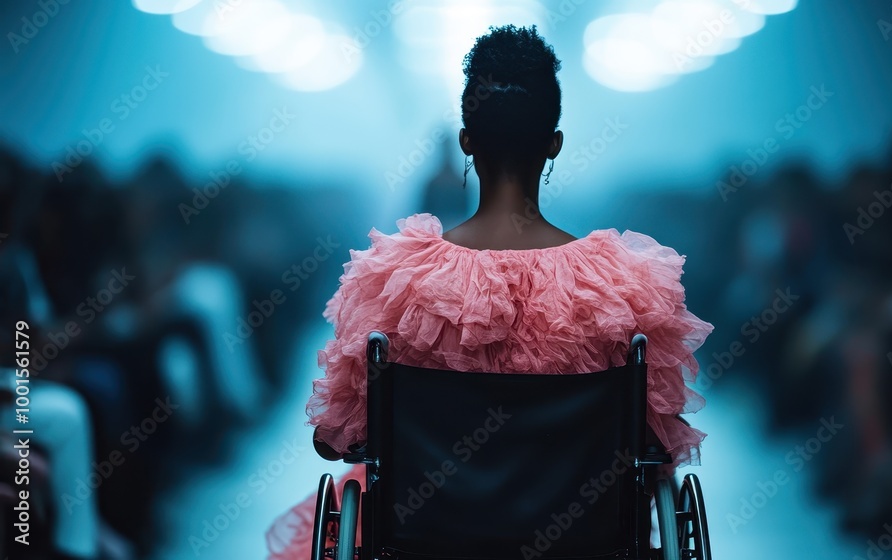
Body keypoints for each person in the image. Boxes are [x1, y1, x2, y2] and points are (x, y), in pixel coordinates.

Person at [267, 25, 712, 558]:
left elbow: (333, 439)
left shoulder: (396, 282)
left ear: (466, 140)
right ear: (554, 143)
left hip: (430, 539)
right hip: (580, 542)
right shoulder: (622, 290)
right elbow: (658, 446)